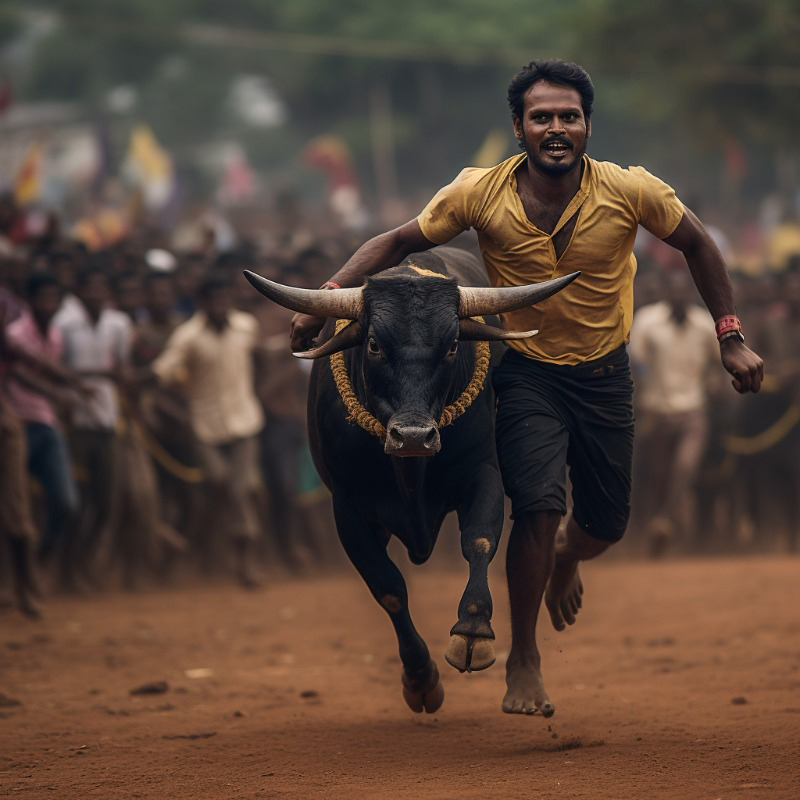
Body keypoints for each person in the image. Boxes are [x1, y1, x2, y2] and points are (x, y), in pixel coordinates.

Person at [288, 59, 764, 717]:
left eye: (569, 116)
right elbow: (399, 240)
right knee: (536, 505)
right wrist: (330, 295)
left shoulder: (632, 190)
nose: (557, 128)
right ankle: (524, 659)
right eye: (542, 117)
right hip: (525, 372)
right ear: (520, 127)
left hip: (603, 375)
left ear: (587, 126)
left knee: (605, 525)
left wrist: (730, 334)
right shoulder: (477, 192)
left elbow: (699, 245)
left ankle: (571, 555)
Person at [151, 274, 265, 587]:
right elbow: (163, 373)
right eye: (212, 299)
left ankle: (245, 561)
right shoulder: (187, 336)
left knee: (239, 489)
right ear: (201, 303)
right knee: (220, 482)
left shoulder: (246, 326)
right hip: (204, 426)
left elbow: (257, 358)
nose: (219, 304)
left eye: (223, 298)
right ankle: (215, 545)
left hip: (244, 420)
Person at [629, 271, 719, 555]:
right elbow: (634, 363)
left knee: (685, 466)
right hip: (656, 411)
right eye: (674, 291)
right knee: (658, 476)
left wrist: (717, 382)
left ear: (692, 295)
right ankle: (657, 529)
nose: (679, 296)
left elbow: (719, 361)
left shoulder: (705, 325)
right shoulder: (647, 321)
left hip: (693, 410)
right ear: (666, 293)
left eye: (685, 292)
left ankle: (664, 520)